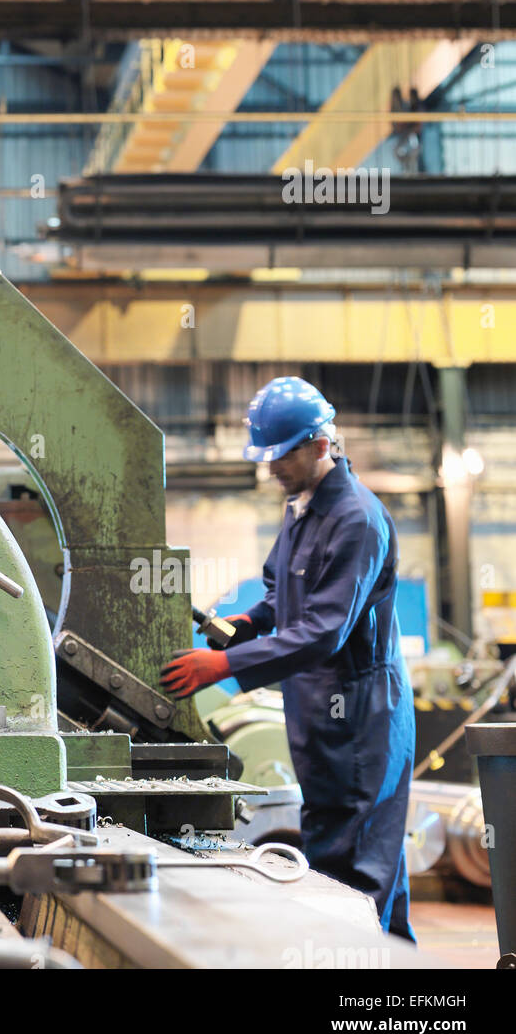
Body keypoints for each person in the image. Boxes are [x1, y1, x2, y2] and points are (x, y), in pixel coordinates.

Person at [159, 377, 416, 941]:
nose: (271, 468)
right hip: (315, 709)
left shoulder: (357, 519)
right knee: (333, 860)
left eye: (281, 455)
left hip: (361, 719)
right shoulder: (301, 507)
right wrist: (247, 623)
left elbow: (324, 630)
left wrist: (224, 667)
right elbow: (284, 594)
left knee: (363, 871)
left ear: (321, 445)